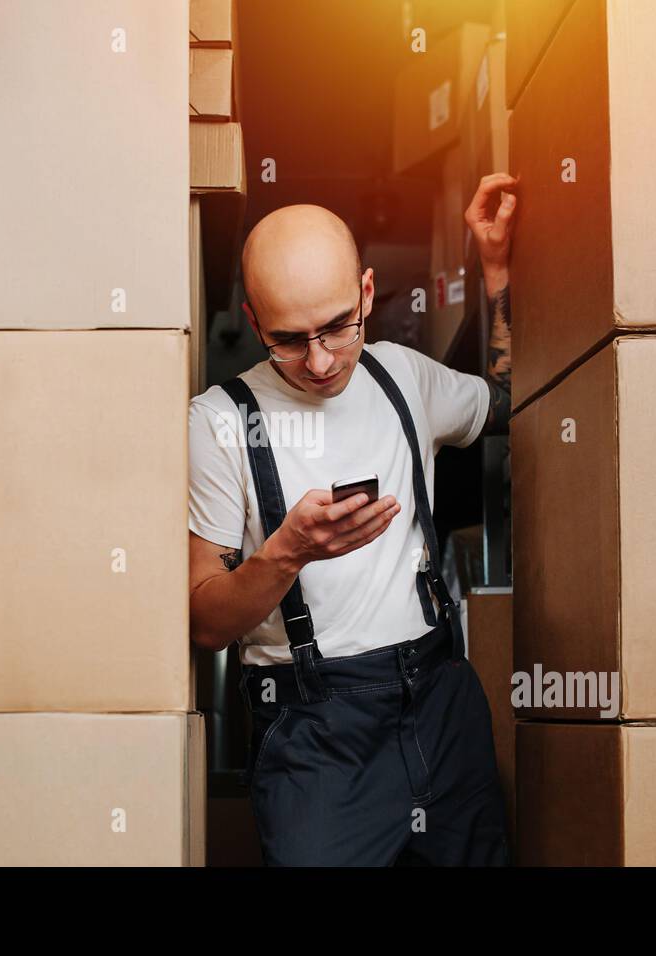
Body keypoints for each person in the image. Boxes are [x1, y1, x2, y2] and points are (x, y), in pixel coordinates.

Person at [187, 173, 519, 866]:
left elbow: (510, 397)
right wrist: (287, 554)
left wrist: (495, 273)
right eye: (288, 339)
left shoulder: (404, 376)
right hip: (316, 739)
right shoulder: (220, 423)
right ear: (253, 322)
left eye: (338, 327)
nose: (318, 362)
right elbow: (207, 622)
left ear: (368, 293)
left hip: (440, 703)